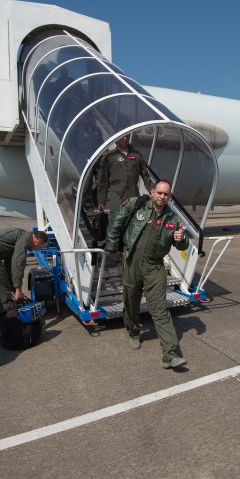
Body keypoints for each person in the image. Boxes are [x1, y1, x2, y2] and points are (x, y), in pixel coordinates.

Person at [105, 180, 188, 369]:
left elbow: (181, 246)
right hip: (132, 261)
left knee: (159, 308)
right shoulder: (138, 204)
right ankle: (133, 332)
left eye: (166, 194)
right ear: (152, 192)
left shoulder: (172, 219)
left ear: (169, 196)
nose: (162, 196)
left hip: (154, 266)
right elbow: (117, 219)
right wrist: (112, 247)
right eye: (159, 192)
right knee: (131, 300)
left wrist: (181, 239)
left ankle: (170, 354)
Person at [0, 228, 49, 336]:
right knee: (4, 292)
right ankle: (12, 328)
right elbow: (18, 263)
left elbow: (9, 266)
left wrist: (14, 287)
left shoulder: (17, 238)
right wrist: (18, 288)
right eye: (39, 247)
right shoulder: (25, 238)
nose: (36, 250)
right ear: (37, 241)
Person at [97, 134, 152, 213]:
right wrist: (101, 201)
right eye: (122, 137)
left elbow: (146, 176)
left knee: (132, 222)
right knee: (115, 223)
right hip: (115, 199)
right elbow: (103, 180)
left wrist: (152, 190)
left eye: (127, 136)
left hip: (133, 198)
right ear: (116, 139)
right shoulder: (109, 157)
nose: (125, 139)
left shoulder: (137, 156)